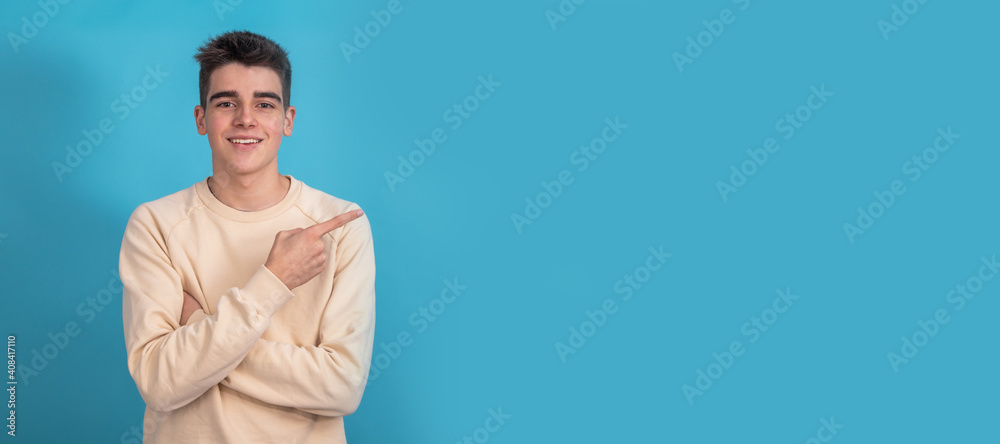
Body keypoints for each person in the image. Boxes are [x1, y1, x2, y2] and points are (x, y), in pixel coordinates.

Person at [119, 30, 376, 443]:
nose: (246, 119)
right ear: (201, 119)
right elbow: (159, 382)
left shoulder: (338, 225)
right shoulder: (155, 224)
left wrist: (201, 326)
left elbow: (342, 386)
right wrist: (272, 283)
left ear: (287, 120)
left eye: (264, 103)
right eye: (226, 103)